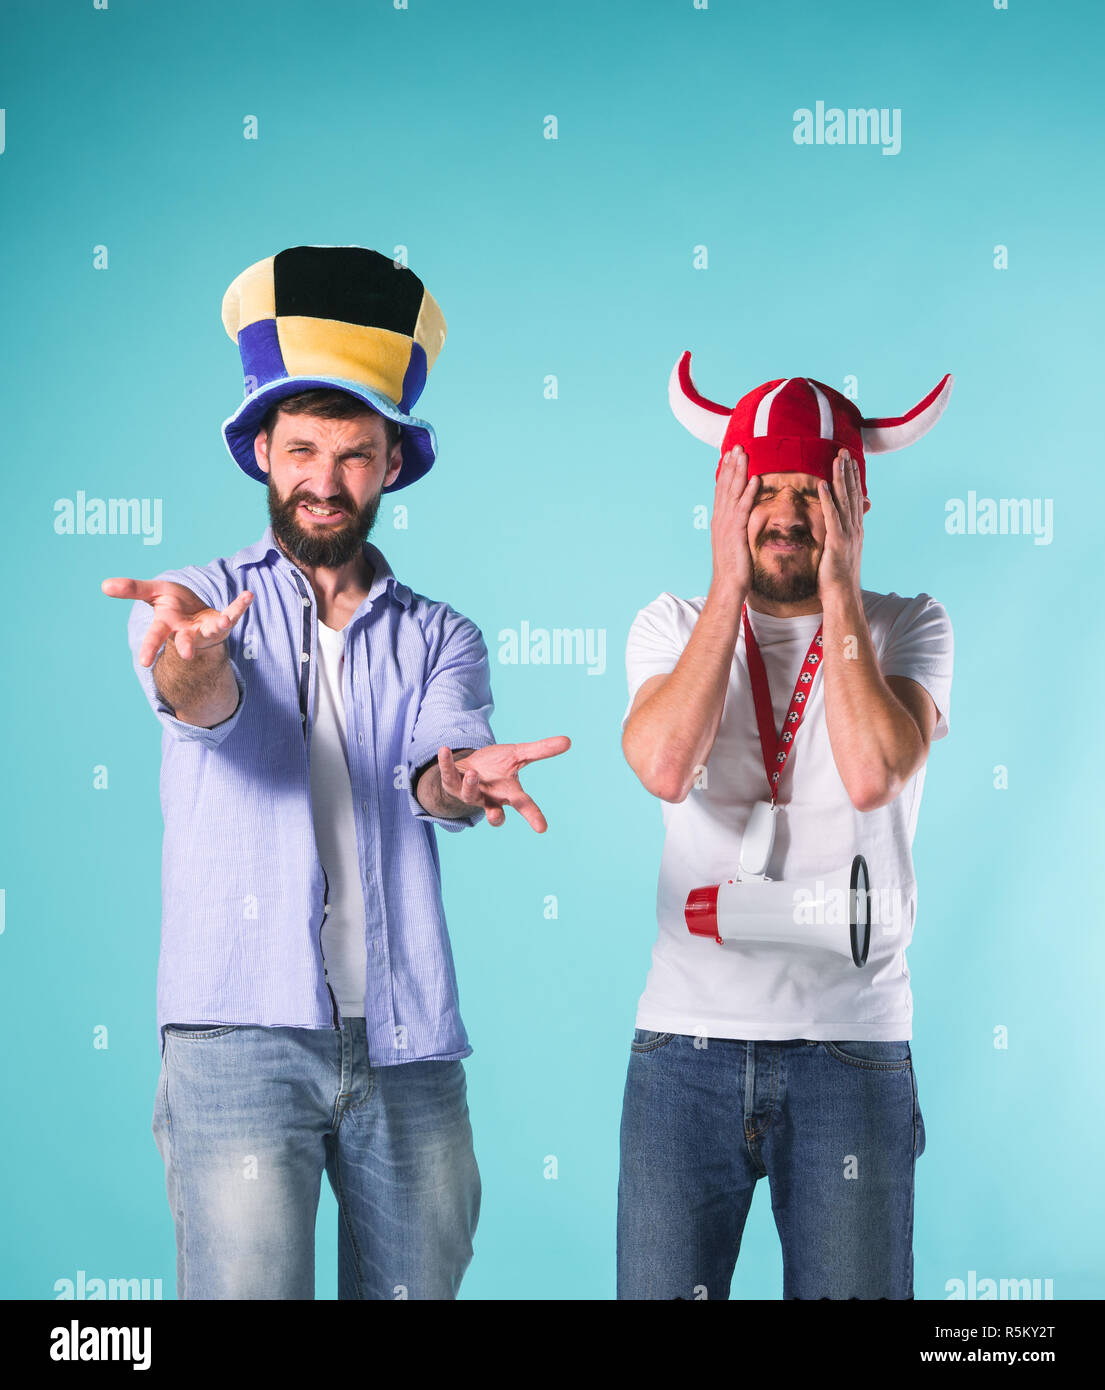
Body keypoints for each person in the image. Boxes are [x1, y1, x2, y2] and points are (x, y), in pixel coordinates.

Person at [102, 245, 569, 1301]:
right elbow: (204, 706)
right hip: (236, 1035)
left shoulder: (443, 633)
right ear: (261, 449)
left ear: (392, 464)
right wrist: (195, 665)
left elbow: (432, 770)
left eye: (353, 454)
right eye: (301, 448)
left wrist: (463, 778)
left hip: (405, 1045)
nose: (323, 480)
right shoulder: (193, 602)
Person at [617, 358, 955, 1300]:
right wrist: (725, 588)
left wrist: (839, 594)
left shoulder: (907, 626)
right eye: (760, 488)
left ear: (854, 503)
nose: (785, 513)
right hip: (682, 1047)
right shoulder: (670, 623)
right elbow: (661, 765)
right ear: (725, 500)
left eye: (814, 490)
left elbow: (872, 771)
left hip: (851, 1045)